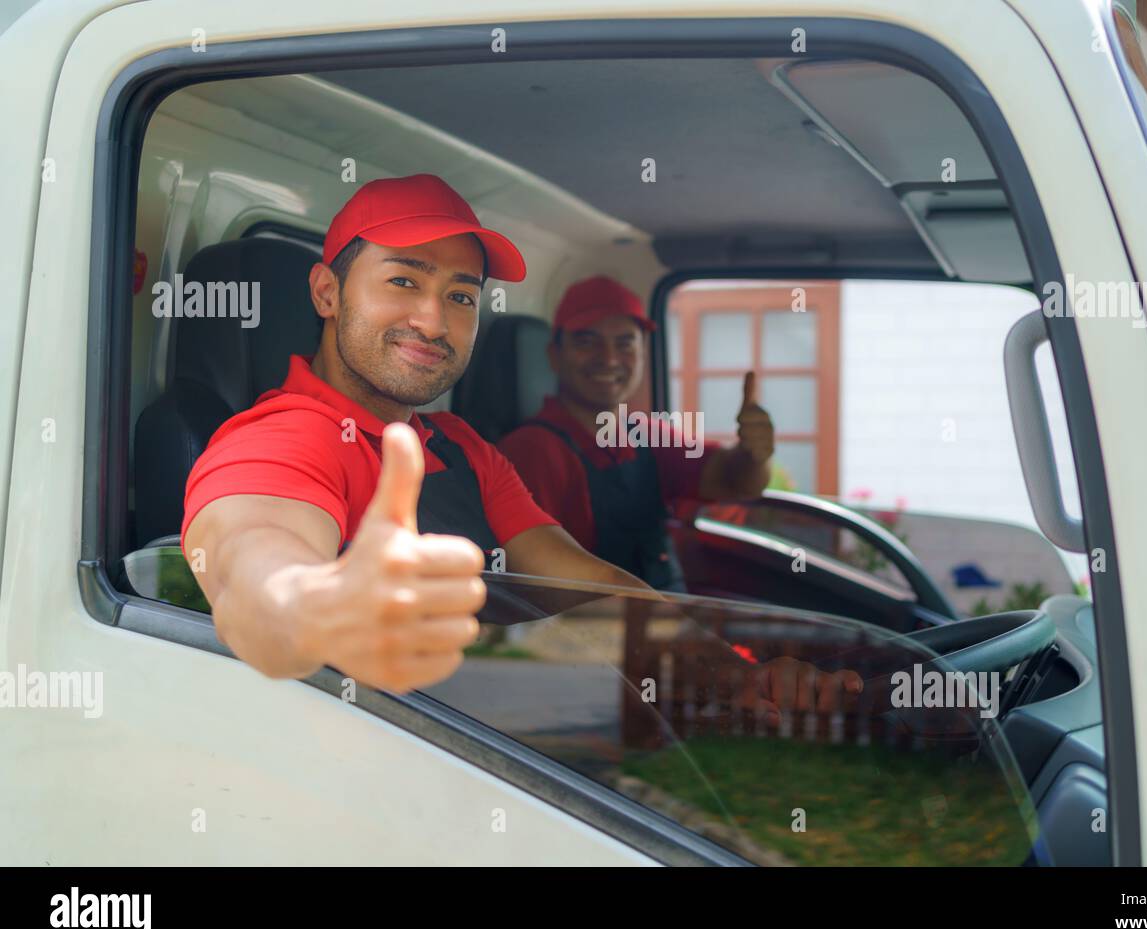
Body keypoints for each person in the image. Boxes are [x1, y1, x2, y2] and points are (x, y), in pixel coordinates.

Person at [182, 173, 860, 712]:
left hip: (522, 744)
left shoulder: (458, 443)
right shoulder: (279, 437)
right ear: (328, 292)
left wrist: (738, 677)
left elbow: (588, 583)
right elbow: (252, 566)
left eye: (461, 297)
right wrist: (320, 607)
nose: (433, 319)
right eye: (403, 280)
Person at [497, 276, 774, 591]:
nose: (609, 358)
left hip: (657, 621)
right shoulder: (531, 452)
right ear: (554, 356)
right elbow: (534, 581)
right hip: (591, 630)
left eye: (625, 343)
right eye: (587, 341)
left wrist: (755, 454)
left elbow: (732, 481)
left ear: (643, 354)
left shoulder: (648, 436)